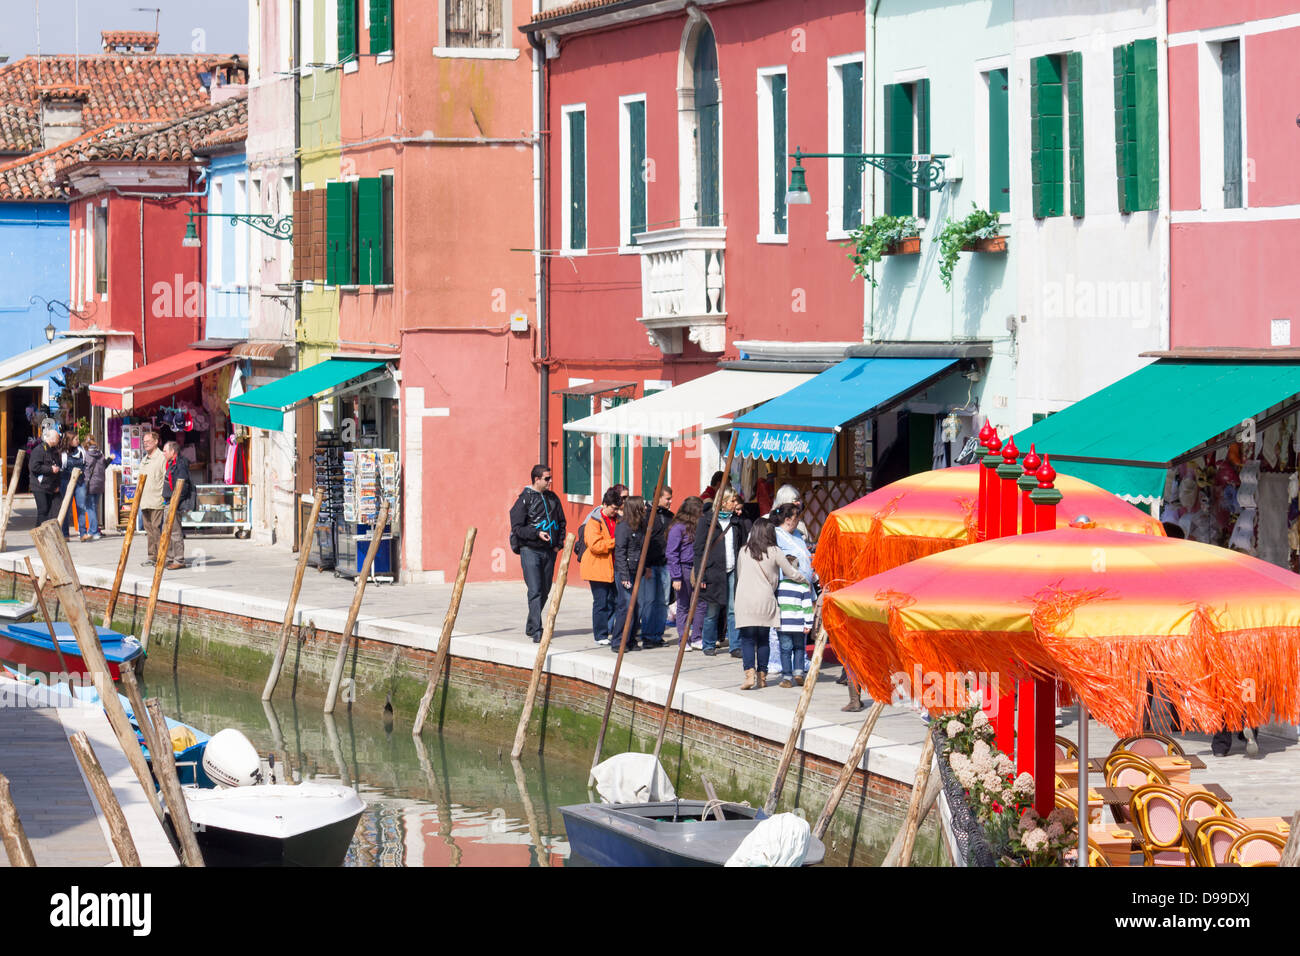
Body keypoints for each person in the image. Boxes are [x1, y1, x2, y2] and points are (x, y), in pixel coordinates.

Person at [732, 518, 806, 690]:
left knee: (748, 639)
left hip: (744, 599)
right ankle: (762, 677)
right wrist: (805, 580)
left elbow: (740, 574)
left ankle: (749, 675)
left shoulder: (744, 550)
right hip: (765, 599)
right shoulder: (774, 551)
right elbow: (790, 572)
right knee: (763, 639)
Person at [509, 464, 566, 643]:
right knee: (534, 589)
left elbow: (562, 522)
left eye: (550, 478)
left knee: (545, 590)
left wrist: (558, 544)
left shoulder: (552, 498)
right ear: (536, 479)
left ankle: (531, 624)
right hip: (530, 550)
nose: (550, 481)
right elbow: (517, 529)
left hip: (549, 551)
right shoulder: (524, 500)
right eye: (547, 478)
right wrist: (536, 533)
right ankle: (538, 630)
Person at [695, 489, 750, 657]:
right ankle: (708, 644)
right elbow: (698, 550)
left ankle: (735, 646)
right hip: (713, 571)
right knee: (712, 609)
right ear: (724, 502)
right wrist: (700, 574)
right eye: (732, 501)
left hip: (733, 569)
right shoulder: (706, 522)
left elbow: (742, 546)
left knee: (734, 609)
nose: (735, 504)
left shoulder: (736, 522)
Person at [773, 502, 816, 686]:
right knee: (786, 644)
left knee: (800, 642)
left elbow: (804, 555)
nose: (798, 521)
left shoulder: (797, 534)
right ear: (788, 519)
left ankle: (797, 671)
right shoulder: (777, 535)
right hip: (787, 588)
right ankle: (787, 674)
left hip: (803, 588)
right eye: (796, 517)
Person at [580, 486, 623, 645]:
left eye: (618, 508)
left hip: (612, 567)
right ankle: (600, 634)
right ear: (605, 504)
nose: (616, 511)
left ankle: (609, 629)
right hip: (597, 567)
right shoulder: (594, 522)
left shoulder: (617, 519)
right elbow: (595, 545)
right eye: (613, 508)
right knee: (601, 602)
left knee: (614, 601)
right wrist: (616, 542)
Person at [666, 496, 705, 650]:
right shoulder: (678, 528)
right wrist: (676, 576)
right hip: (684, 568)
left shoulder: (699, 526)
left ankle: (696, 637)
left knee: (701, 603)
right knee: (683, 605)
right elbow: (672, 553)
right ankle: (683, 639)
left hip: (697, 568)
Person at [612, 496, 649, 652]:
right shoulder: (623, 527)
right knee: (626, 606)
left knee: (638, 607)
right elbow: (620, 553)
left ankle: (631, 639)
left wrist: (646, 567)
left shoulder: (641, 525)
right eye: (643, 506)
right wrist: (625, 577)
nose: (646, 508)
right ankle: (618, 641)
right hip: (625, 572)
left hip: (637, 571)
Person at [639, 486, 673, 646]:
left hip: (666, 565)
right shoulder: (646, 516)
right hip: (650, 566)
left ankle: (657, 635)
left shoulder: (670, 517)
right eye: (667, 498)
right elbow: (642, 543)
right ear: (657, 497)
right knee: (650, 600)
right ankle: (647, 635)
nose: (670, 501)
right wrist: (645, 565)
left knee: (663, 601)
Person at [161, 441, 195, 569]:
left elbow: (183, 485)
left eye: (165, 450)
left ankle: (179, 559)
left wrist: (176, 501)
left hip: (174, 502)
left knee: (175, 531)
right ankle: (169, 558)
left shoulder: (180, 464)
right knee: (166, 530)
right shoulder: (171, 463)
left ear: (172, 452)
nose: (163, 453)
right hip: (169, 501)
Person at [28, 427, 62, 526]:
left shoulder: (54, 451)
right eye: (57, 438)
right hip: (39, 486)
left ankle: (46, 532)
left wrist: (56, 485)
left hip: (51, 486)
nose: (58, 440)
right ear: (51, 439)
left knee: (51, 511)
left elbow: (58, 467)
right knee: (43, 510)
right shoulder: (39, 450)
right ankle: (39, 533)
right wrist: (50, 469)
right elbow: (34, 467)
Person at [60, 433, 88, 540]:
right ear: (69, 441)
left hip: (80, 482)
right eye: (75, 439)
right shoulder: (63, 453)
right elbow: (61, 467)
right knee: (66, 507)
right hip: (66, 481)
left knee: (81, 506)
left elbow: (85, 464)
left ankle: (83, 533)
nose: (77, 441)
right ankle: (65, 534)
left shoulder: (81, 451)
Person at [82, 437, 106, 541]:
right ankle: (95, 530)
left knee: (90, 508)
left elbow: (87, 471)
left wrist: (84, 484)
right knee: (94, 507)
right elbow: (104, 466)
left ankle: (93, 531)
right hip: (100, 484)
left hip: (91, 484)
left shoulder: (87, 456)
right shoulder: (101, 455)